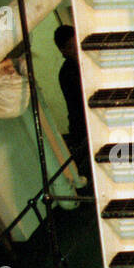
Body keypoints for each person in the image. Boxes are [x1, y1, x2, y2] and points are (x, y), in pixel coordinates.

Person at [54, 25, 89, 182]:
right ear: (63, 51)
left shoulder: (87, 62)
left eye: (77, 43)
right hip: (82, 126)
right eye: (71, 47)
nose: (77, 49)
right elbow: (82, 102)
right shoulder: (67, 73)